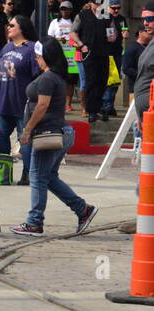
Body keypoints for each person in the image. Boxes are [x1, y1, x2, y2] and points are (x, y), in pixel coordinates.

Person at [12, 37, 98, 236]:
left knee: (37, 176)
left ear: (47, 56)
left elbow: (42, 106)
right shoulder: (53, 76)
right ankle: (83, 209)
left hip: (48, 133)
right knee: (48, 177)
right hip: (59, 132)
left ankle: (34, 222)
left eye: (39, 55)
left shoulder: (49, 78)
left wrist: (26, 131)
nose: (36, 59)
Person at [0, 14, 39, 187]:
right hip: (5, 103)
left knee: (25, 141)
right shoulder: (6, 48)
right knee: (2, 138)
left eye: (12, 25)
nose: (8, 27)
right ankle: (2, 173)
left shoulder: (32, 48)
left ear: (22, 28)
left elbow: (38, 76)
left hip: (23, 104)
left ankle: (28, 174)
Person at [101, 0, 128, 120]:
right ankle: (106, 105)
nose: (116, 11)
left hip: (118, 52)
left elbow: (125, 31)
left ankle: (109, 105)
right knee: (108, 80)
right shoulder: (104, 18)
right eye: (113, 8)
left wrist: (125, 34)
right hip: (107, 53)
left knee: (115, 81)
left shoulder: (122, 19)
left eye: (118, 8)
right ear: (108, 8)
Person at [48, 0, 77, 111]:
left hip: (72, 55)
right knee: (58, 79)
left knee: (70, 81)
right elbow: (49, 37)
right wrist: (59, 39)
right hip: (58, 54)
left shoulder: (75, 21)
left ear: (71, 10)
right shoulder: (54, 22)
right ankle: (57, 102)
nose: (64, 11)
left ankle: (68, 103)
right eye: (62, 9)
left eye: (67, 9)